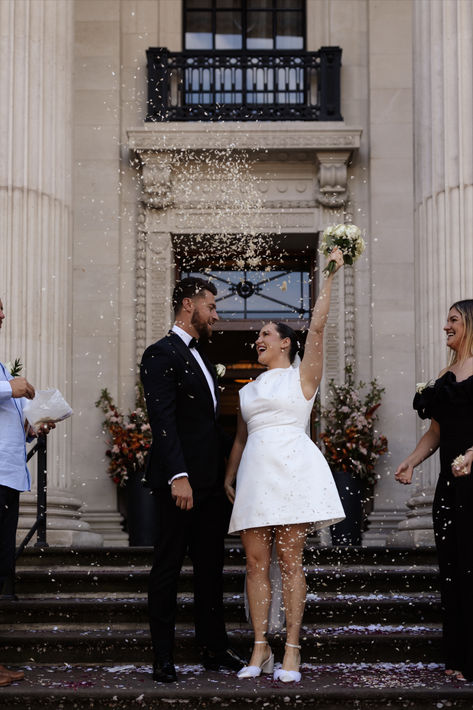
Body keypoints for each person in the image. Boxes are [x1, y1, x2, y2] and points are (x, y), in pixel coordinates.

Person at [224, 249, 346, 683]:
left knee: (291, 561)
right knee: (255, 563)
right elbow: (240, 438)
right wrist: (228, 476)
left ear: (285, 343)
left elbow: (319, 325)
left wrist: (329, 276)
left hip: (292, 470)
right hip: (256, 474)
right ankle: (260, 648)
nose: (257, 338)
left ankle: (291, 648)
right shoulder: (247, 389)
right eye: (257, 334)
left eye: (265, 332)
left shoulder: (303, 376)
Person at [140, 277, 245, 683]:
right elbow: (162, 421)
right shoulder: (159, 353)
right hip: (179, 484)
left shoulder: (202, 356)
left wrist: (242, 464)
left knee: (210, 568)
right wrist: (178, 475)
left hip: (211, 485)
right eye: (211, 307)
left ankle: (213, 650)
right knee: (167, 567)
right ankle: (162, 657)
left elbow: (206, 426)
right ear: (189, 305)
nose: (216, 315)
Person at [395, 299, 473, 683]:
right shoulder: (444, 375)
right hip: (449, 486)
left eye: (453, 320)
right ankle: (457, 654)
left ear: (470, 325)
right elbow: (437, 433)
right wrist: (412, 460)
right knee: (453, 568)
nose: (445, 326)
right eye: (446, 320)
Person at [0, 297, 54, 687]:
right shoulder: (4, 376)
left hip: (8, 478)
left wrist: (30, 427)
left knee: (2, 567)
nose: (3, 313)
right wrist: (9, 387)